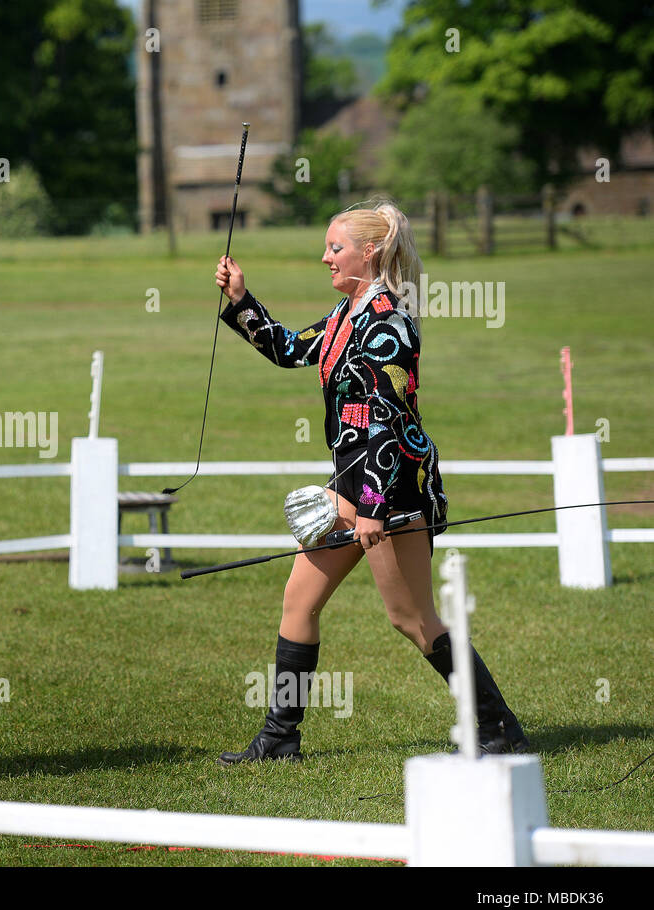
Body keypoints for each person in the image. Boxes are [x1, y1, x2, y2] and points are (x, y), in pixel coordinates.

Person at [211, 198, 528, 763]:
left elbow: (386, 424)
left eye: (337, 248)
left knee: (411, 618)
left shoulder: (388, 322)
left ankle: (498, 727)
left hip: (395, 488)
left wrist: (374, 509)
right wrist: (241, 299)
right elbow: (289, 350)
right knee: (298, 602)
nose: (325, 257)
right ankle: (281, 738)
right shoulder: (345, 316)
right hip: (352, 485)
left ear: (371, 252)